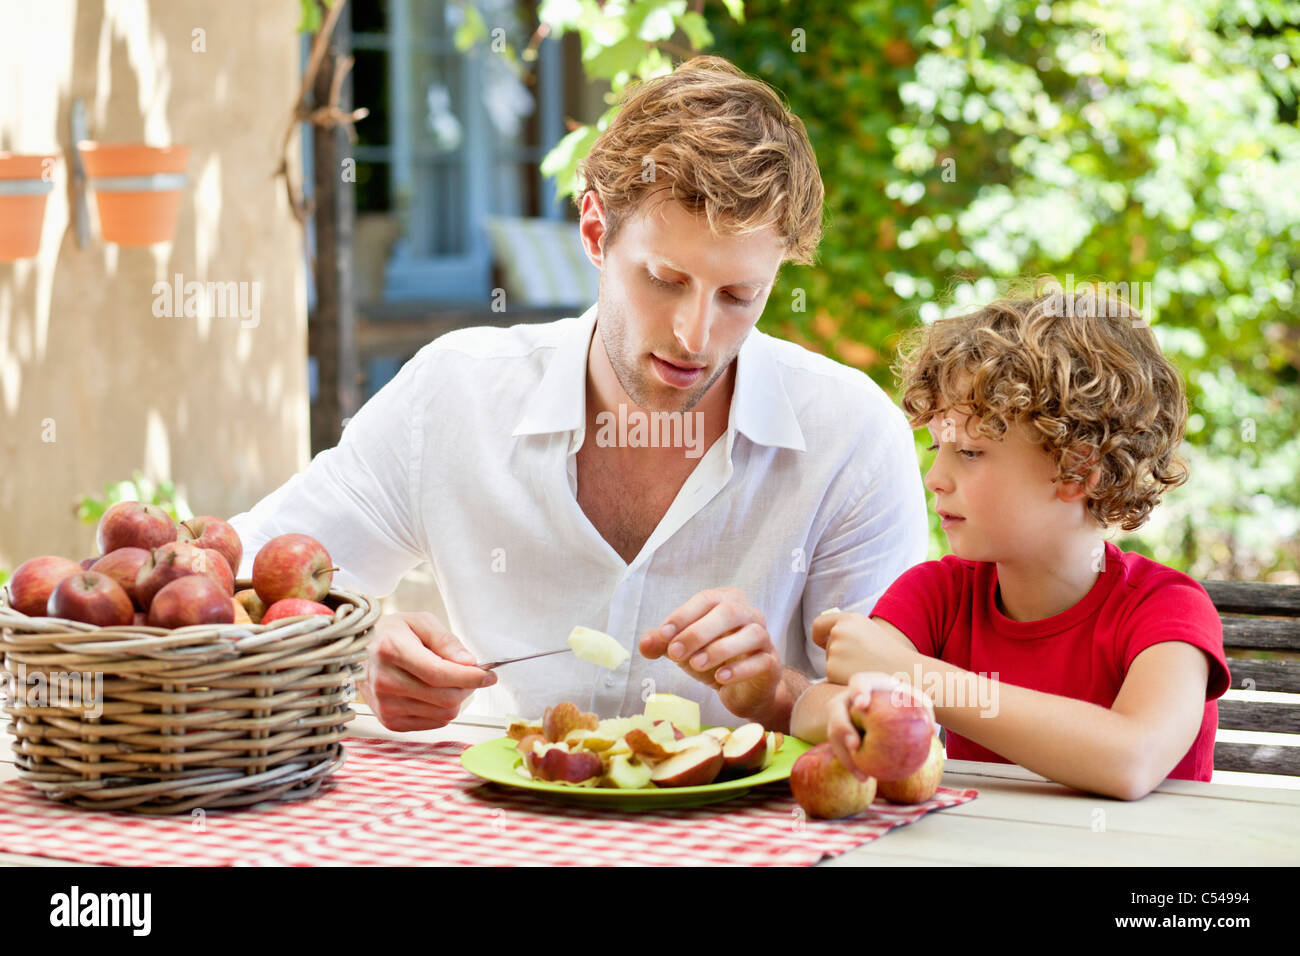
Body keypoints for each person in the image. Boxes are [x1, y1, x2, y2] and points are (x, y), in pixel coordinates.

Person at [228, 56, 928, 734]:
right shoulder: (454, 395)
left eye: (740, 297)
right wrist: (357, 655)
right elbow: (236, 592)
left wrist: (777, 696)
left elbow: (898, 721)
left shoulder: (852, 438)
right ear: (595, 232)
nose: (695, 335)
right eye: (664, 279)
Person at [790, 285, 1230, 800]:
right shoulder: (937, 595)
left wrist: (911, 675)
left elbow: (1131, 759)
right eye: (937, 446)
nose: (936, 477)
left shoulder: (1167, 611)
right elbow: (817, 705)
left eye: (971, 453)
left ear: (1076, 469)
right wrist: (846, 711)